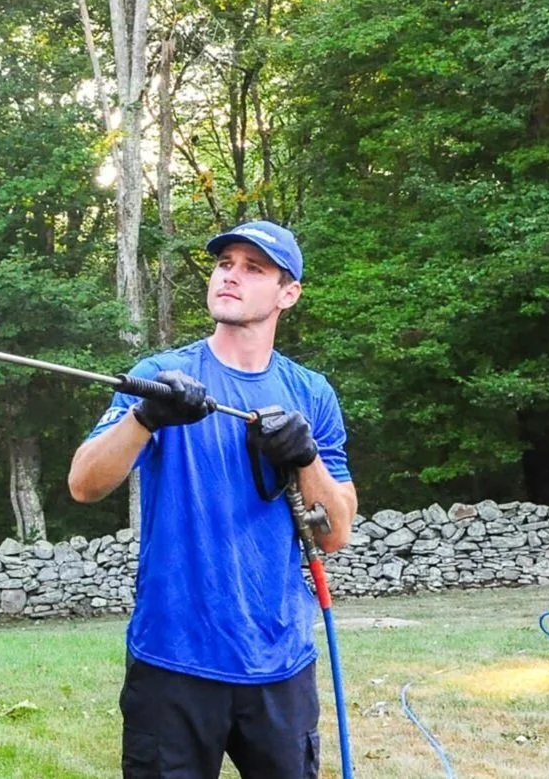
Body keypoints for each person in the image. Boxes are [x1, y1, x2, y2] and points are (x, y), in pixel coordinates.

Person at [67, 220, 358, 779]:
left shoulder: (311, 394)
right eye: (225, 264)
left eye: (254, 268)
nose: (230, 276)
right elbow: (84, 483)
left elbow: (335, 533)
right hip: (171, 661)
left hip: (278, 662)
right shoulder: (160, 377)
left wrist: (305, 457)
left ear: (288, 294)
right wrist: (146, 416)